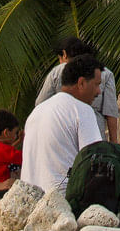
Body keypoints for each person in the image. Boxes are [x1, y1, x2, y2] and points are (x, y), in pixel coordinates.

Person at [22, 53, 103, 193]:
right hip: (61, 203)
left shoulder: (36, 111)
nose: (98, 91)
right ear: (82, 83)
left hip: (29, 198)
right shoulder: (82, 110)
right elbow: (94, 163)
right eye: (96, 85)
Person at [35, 36, 119, 143]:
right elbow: (110, 112)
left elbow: (40, 104)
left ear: (64, 54)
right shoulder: (105, 73)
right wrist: (114, 144)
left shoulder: (57, 72)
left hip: (63, 139)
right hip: (94, 140)